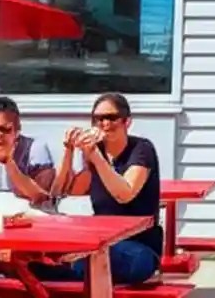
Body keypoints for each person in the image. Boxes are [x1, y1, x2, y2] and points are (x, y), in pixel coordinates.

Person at [33, 93, 162, 286]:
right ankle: (66, 267)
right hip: (101, 241)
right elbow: (60, 192)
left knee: (132, 262)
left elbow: (124, 194)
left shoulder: (141, 149)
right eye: (98, 119)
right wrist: (68, 151)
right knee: (79, 249)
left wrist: (95, 156)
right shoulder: (95, 152)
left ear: (127, 122)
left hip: (137, 244)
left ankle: (68, 267)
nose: (105, 124)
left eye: (111, 118)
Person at [0, 96, 56, 205]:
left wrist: (9, 162)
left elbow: (41, 197)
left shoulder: (35, 149)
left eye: (4, 129)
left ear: (17, 129)